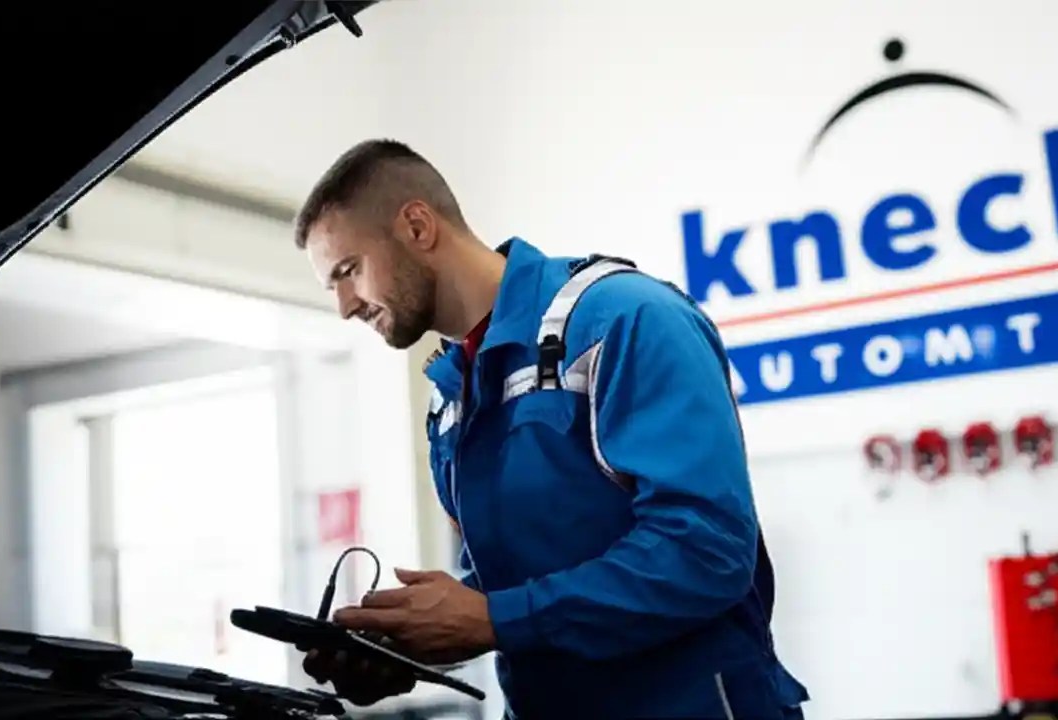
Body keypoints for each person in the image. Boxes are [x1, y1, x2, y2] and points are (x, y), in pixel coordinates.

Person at [293, 139, 809, 719]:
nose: (344, 306)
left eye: (348, 270)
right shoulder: (454, 396)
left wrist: (492, 618)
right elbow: (521, 592)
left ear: (417, 226)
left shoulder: (623, 318)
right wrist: (415, 644)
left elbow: (705, 551)